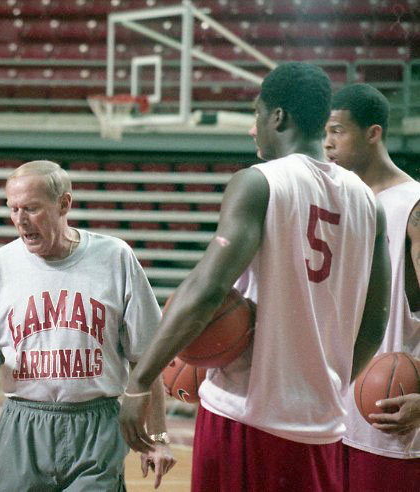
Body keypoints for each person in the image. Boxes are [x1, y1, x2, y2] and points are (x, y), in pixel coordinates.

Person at [119, 62, 391, 492]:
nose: (252, 128)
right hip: (321, 427)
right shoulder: (369, 203)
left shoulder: (258, 182)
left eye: (256, 114)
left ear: (277, 117)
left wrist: (139, 382)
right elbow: (376, 322)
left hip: (246, 417)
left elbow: (207, 289)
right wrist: (326, 381)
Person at [0, 160, 175, 491]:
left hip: (97, 425)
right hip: (23, 423)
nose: (20, 220)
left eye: (31, 208)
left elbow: (146, 357)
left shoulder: (115, 258)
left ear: (64, 204)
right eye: (13, 209)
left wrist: (158, 436)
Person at [325, 83, 420, 490]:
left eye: (337, 130)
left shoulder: (413, 205)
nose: (327, 143)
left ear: (373, 133)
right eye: (323, 133)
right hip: (332, 417)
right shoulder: (336, 202)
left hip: (390, 417)